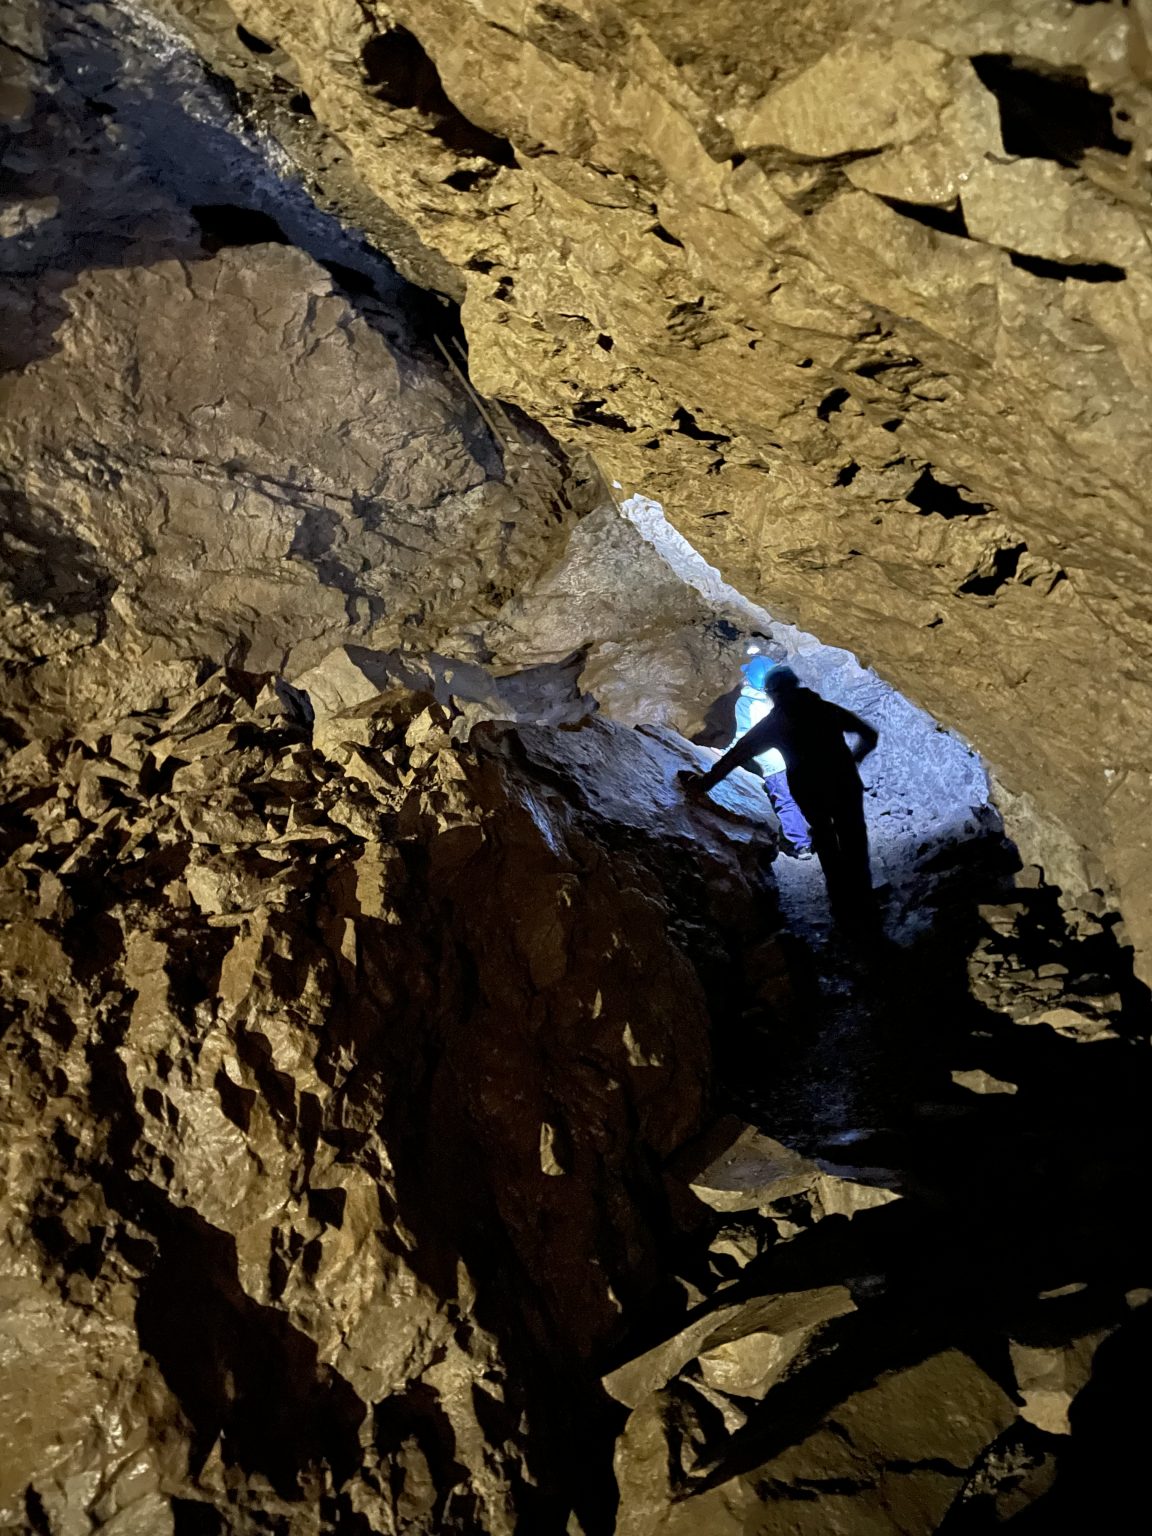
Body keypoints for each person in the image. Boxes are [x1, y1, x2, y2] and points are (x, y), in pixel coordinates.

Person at [681, 667, 879, 923]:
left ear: (772, 693)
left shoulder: (775, 723)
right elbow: (869, 735)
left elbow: (735, 756)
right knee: (854, 838)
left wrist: (703, 784)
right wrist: (854, 759)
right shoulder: (826, 709)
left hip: (811, 790)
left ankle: (843, 908)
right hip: (845, 783)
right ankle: (865, 904)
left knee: (826, 839)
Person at [735, 651, 813, 860]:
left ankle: (802, 845)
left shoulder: (746, 704)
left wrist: (725, 753)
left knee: (786, 802)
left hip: (774, 763)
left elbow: (743, 735)